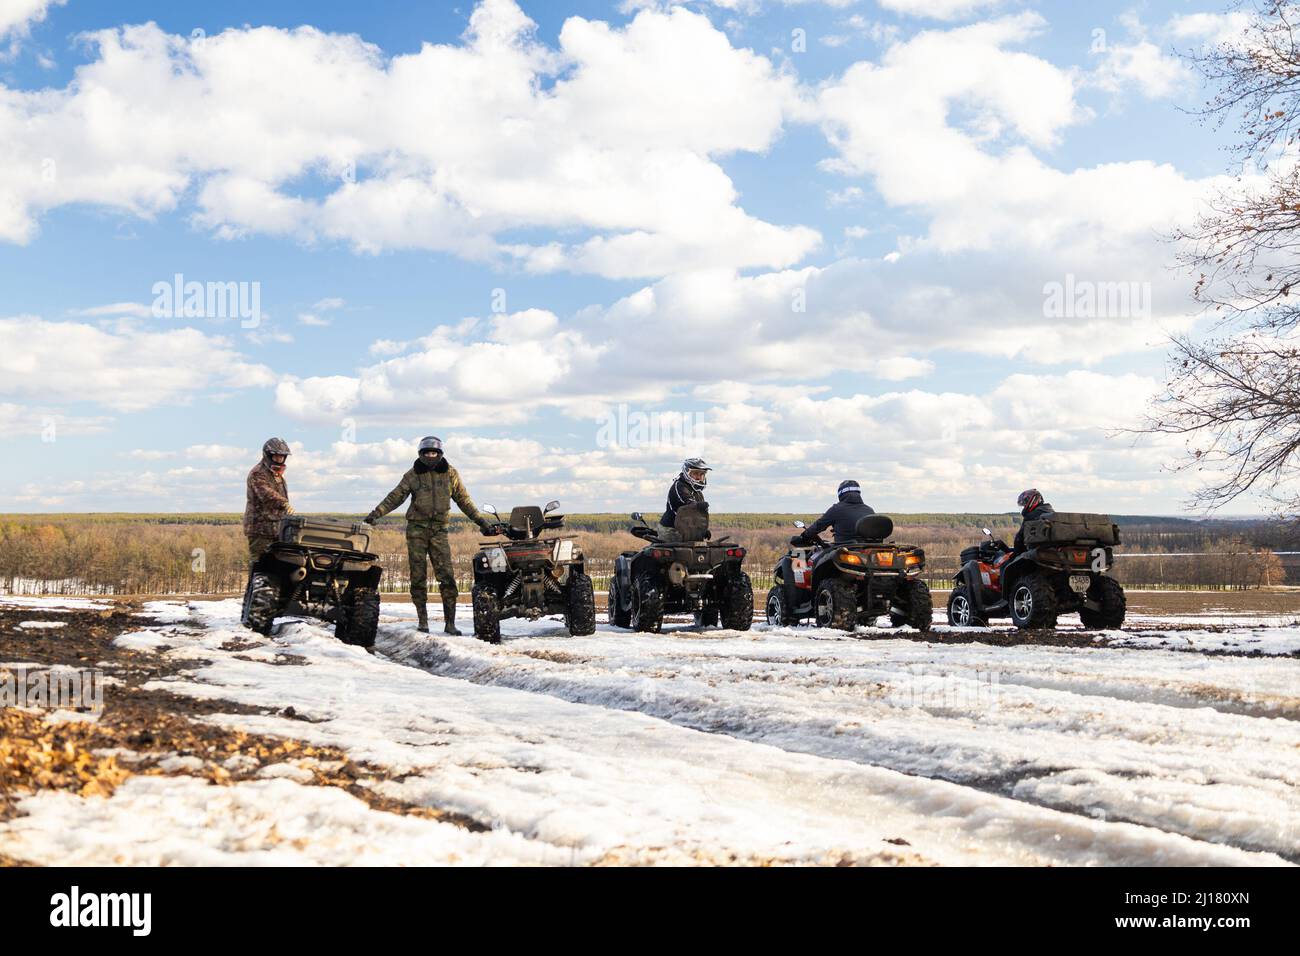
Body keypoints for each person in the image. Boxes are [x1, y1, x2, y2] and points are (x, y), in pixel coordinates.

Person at [365, 436, 492, 635]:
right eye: (427, 453)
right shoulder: (413, 474)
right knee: (418, 577)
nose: (430, 456)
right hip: (417, 530)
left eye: (434, 453)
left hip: (440, 531)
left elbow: (464, 501)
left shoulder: (450, 474)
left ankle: (450, 623)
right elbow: (395, 497)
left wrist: (482, 522)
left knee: (447, 576)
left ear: (440, 454)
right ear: (421, 454)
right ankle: (422, 621)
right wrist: (375, 514)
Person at [244, 438, 293, 561]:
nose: (280, 460)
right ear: (268, 455)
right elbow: (266, 493)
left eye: (282, 457)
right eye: (276, 457)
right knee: (259, 564)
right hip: (260, 530)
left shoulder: (276, 474)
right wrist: (284, 503)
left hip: (277, 529)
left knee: (276, 566)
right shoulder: (258, 473)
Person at [796, 480, 875, 545]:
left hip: (845, 550)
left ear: (841, 494)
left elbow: (819, 525)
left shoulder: (837, 509)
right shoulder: (870, 510)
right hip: (870, 552)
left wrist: (804, 536)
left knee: (815, 560)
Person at [658, 457, 711, 542]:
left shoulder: (698, 492)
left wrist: (702, 529)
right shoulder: (679, 486)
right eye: (695, 473)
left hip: (687, 530)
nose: (699, 477)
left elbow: (698, 515)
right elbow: (689, 505)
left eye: (701, 474)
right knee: (679, 553)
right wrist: (698, 506)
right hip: (671, 529)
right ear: (687, 472)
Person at [1012, 488, 1054, 554]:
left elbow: (1019, 540)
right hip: (1052, 553)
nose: (1024, 507)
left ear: (1033, 501)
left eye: (1025, 504)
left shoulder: (1031, 516)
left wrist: (1014, 555)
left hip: (1036, 555)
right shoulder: (1051, 513)